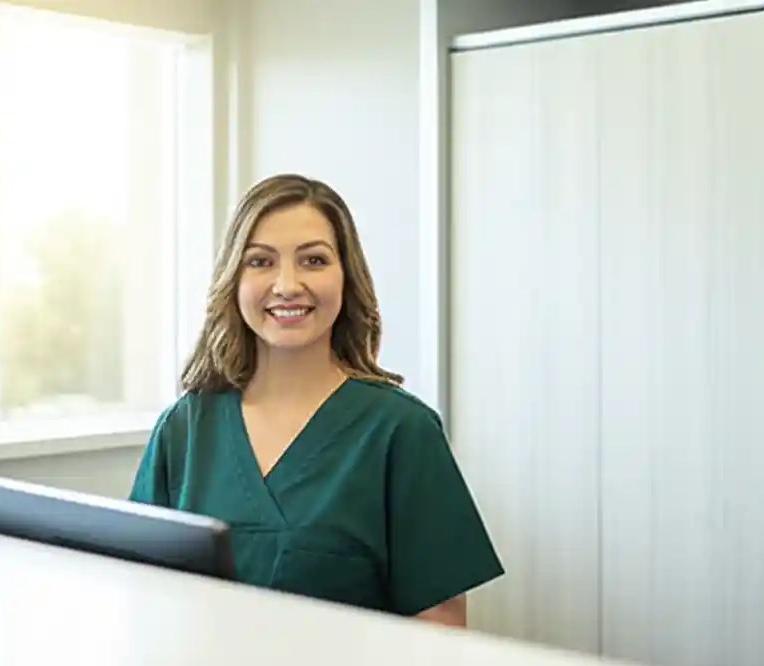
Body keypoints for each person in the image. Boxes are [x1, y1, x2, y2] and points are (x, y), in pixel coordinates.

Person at [129, 173, 502, 626]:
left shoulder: (401, 432)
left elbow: (439, 628)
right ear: (233, 280)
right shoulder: (184, 429)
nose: (287, 284)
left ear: (346, 277)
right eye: (260, 262)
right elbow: (142, 596)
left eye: (313, 260)